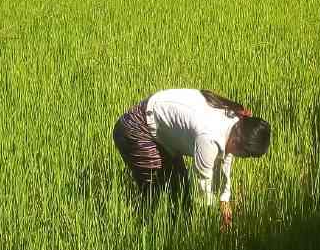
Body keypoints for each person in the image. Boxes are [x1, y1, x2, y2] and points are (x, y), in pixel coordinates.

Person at [112, 89, 271, 228]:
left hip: (160, 129)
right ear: (238, 142)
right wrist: (210, 219)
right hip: (135, 129)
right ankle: (144, 232)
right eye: (244, 154)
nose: (240, 157)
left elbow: (224, 164)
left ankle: (175, 229)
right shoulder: (209, 137)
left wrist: (224, 200)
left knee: (180, 190)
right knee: (156, 191)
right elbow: (202, 182)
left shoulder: (235, 125)